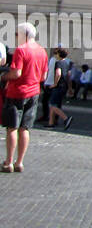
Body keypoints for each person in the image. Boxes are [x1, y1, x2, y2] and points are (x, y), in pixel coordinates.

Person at [1, 23, 48, 172]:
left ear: (23, 34)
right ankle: (19, 162)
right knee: (25, 128)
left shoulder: (21, 50)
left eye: (16, 34)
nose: (16, 37)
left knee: (12, 128)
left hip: (17, 93)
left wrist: (3, 77)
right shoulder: (42, 51)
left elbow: (16, 74)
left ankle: (8, 162)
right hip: (34, 92)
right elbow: (43, 76)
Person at [45, 48, 72, 131]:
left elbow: (58, 73)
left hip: (58, 86)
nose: (54, 55)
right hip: (64, 86)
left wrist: (55, 84)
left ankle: (66, 118)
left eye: (56, 53)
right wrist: (70, 88)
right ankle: (51, 123)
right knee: (54, 104)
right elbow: (68, 76)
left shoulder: (58, 63)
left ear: (59, 54)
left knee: (52, 105)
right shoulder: (66, 63)